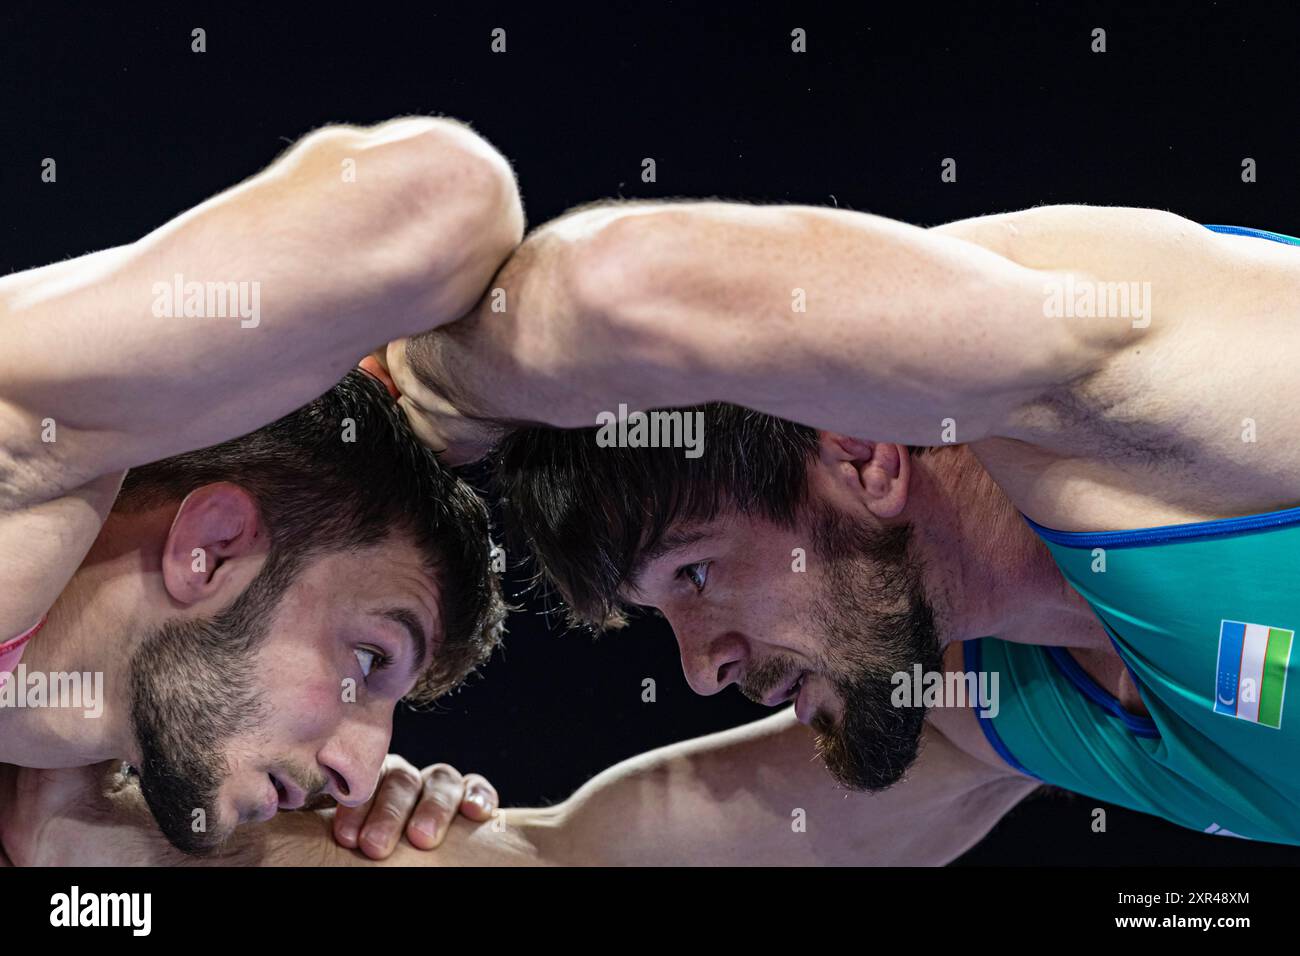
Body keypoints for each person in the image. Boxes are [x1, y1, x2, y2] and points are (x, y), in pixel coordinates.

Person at [374, 201, 1300, 846]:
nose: (701, 670)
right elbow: (562, 861)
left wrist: (427, 395)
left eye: (692, 573)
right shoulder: (974, 707)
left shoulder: (1154, 382)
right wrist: (348, 808)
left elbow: (615, 282)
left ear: (861, 458)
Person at [0, 115, 521, 854]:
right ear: (210, 549)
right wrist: (444, 389)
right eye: (369, 660)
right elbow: (444, 194)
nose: (362, 774)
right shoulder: (24, 452)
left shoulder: (57, 768)